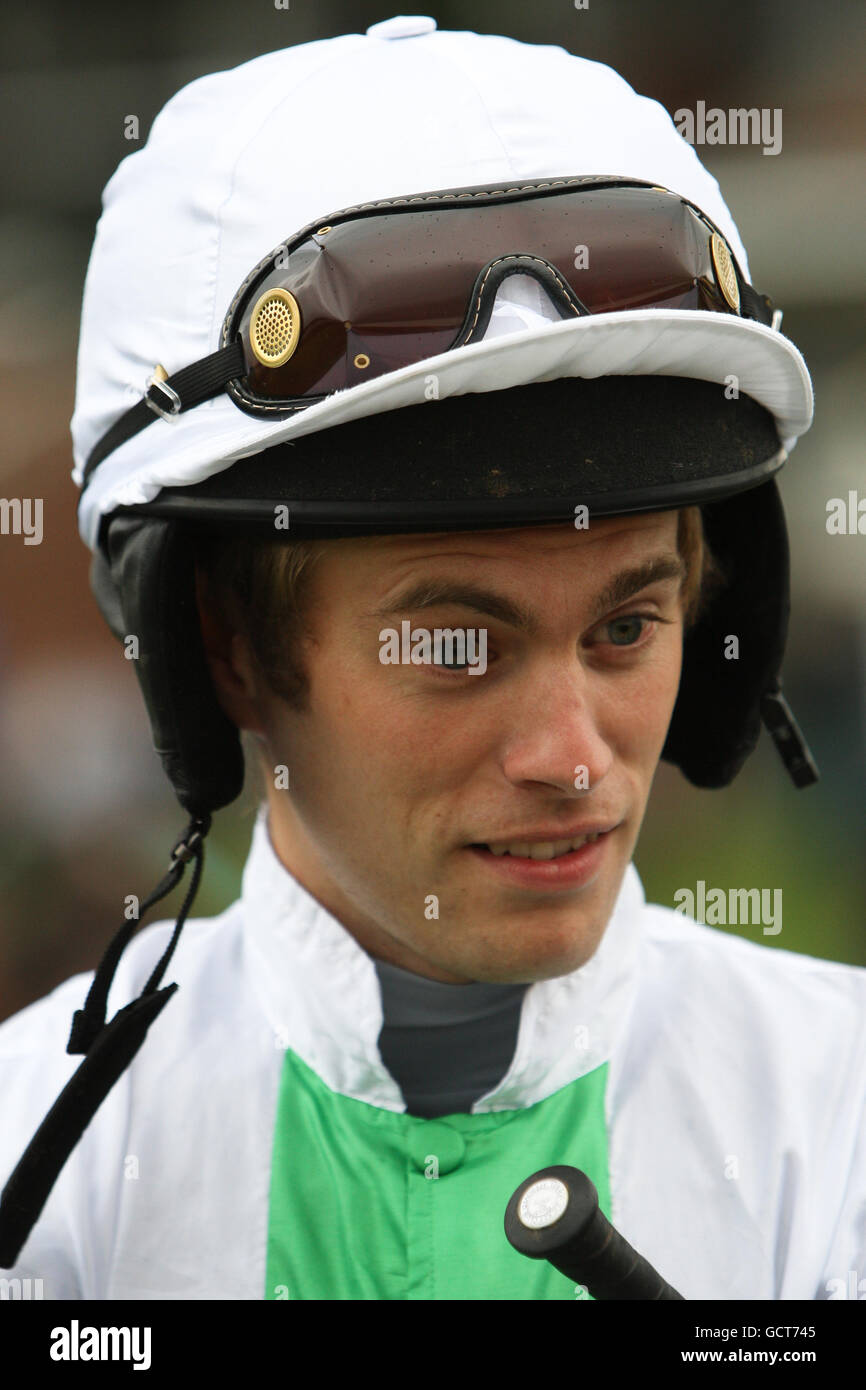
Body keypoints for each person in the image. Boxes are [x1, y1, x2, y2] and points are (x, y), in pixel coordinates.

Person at [1, 16, 863, 1301]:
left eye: (624, 628)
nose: (573, 760)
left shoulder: (840, 1130)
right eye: (459, 644)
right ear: (219, 652)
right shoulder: (39, 1175)